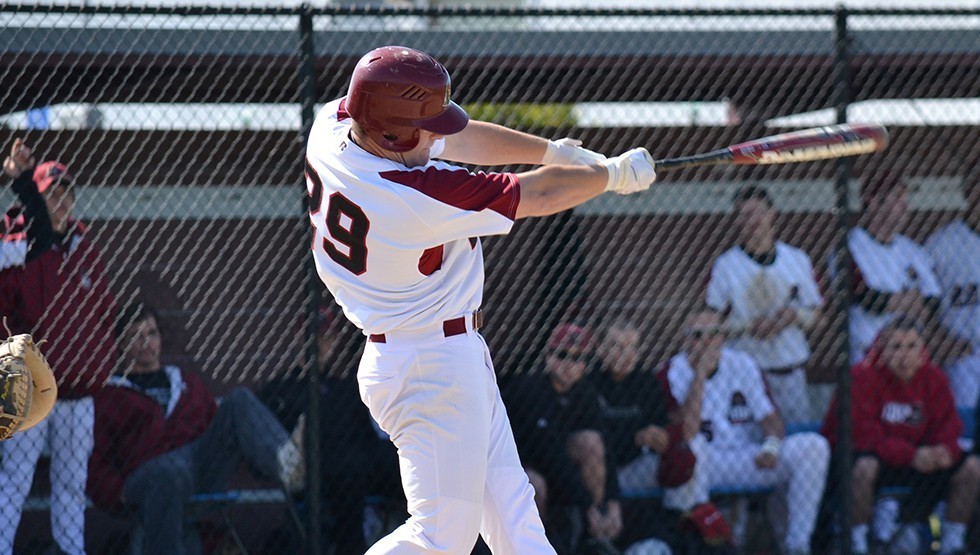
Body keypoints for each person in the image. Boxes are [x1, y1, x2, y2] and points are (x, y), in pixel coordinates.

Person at [305, 45, 657, 554]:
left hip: (431, 353)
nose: (439, 134)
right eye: (426, 127)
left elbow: (455, 138)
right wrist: (611, 177)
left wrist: (551, 150)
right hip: (431, 367)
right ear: (392, 133)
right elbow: (535, 196)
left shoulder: (333, 126)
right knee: (441, 539)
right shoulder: (413, 194)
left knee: (515, 519)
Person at [87, 303, 305, 555]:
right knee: (169, 473)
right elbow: (96, 461)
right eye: (136, 336)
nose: (146, 342)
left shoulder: (187, 383)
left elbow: (219, 430)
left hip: (198, 464)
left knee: (238, 400)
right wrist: (117, 494)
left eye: (151, 334)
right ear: (122, 345)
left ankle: (289, 465)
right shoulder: (111, 395)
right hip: (147, 473)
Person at [0, 139, 119, 555]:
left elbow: (105, 311)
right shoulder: (15, 244)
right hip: (28, 386)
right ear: (36, 197)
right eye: (52, 193)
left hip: (77, 390)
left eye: (68, 192)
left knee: (71, 485)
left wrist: (97, 363)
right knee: (15, 478)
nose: (63, 201)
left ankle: (72, 551)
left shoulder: (84, 246)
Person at [664, 305, 830, 555]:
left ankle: (798, 546)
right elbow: (687, 431)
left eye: (714, 333)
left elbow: (771, 420)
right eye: (698, 335)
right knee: (693, 445)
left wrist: (771, 447)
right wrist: (699, 375)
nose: (706, 342)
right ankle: (705, 544)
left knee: (814, 446)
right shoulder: (671, 371)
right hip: (705, 464)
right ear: (685, 339)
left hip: (746, 458)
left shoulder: (743, 364)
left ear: (723, 337)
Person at [821, 316, 980, 555]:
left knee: (972, 468)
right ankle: (857, 543)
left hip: (918, 461)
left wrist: (944, 451)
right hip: (871, 458)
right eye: (896, 347)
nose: (904, 355)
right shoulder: (861, 377)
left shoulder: (934, 378)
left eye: (911, 346)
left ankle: (952, 543)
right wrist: (911, 455)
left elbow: (948, 425)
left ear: (922, 349)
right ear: (882, 350)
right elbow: (864, 434)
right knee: (865, 467)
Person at [258, 303, 404, 555]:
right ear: (298, 336)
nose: (319, 343)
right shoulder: (282, 389)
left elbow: (370, 437)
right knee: (348, 466)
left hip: (360, 465)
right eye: (311, 334)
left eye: (326, 337)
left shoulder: (346, 389)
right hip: (316, 469)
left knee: (405, 459)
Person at [705, 185, 823, 424]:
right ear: (737, 221)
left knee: (796, 439)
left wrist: (794, 317)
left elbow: (819, 317)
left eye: (759, 212)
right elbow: (710, 323)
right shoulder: (726, 265)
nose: (753, 220)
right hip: (747, 373)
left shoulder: (797, 259)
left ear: (772, 213)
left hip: (790, 370)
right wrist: (748, 326)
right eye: (745, 214)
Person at [503, 323, 625, 554]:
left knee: (591, 442)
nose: (569, 364)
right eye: (562, 355)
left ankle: (591, 539)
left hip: (563, 474)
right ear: (548, 356)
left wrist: (613, 503)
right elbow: (550, 455)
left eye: (578, 358)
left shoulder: (585, 393)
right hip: (522, 465)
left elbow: (605, 447)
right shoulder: (529, 389)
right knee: (534, 485)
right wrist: (587, 506)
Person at [842, 171, 942, 363]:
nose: (905, 205)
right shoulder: (850, 245)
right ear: (873, 202)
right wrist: (910, 300)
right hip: (869, 354)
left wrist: (893, 301)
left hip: (912, 359)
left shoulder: (913, 250)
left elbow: (934, 300)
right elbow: (866, 298)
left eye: (904, 197)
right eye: (896, 197)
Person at [924, 159, 980, 408]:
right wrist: (941, 340)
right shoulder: (940, 245)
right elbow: (923, 308)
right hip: (963, 358)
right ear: (967, 191)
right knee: (965, 431)